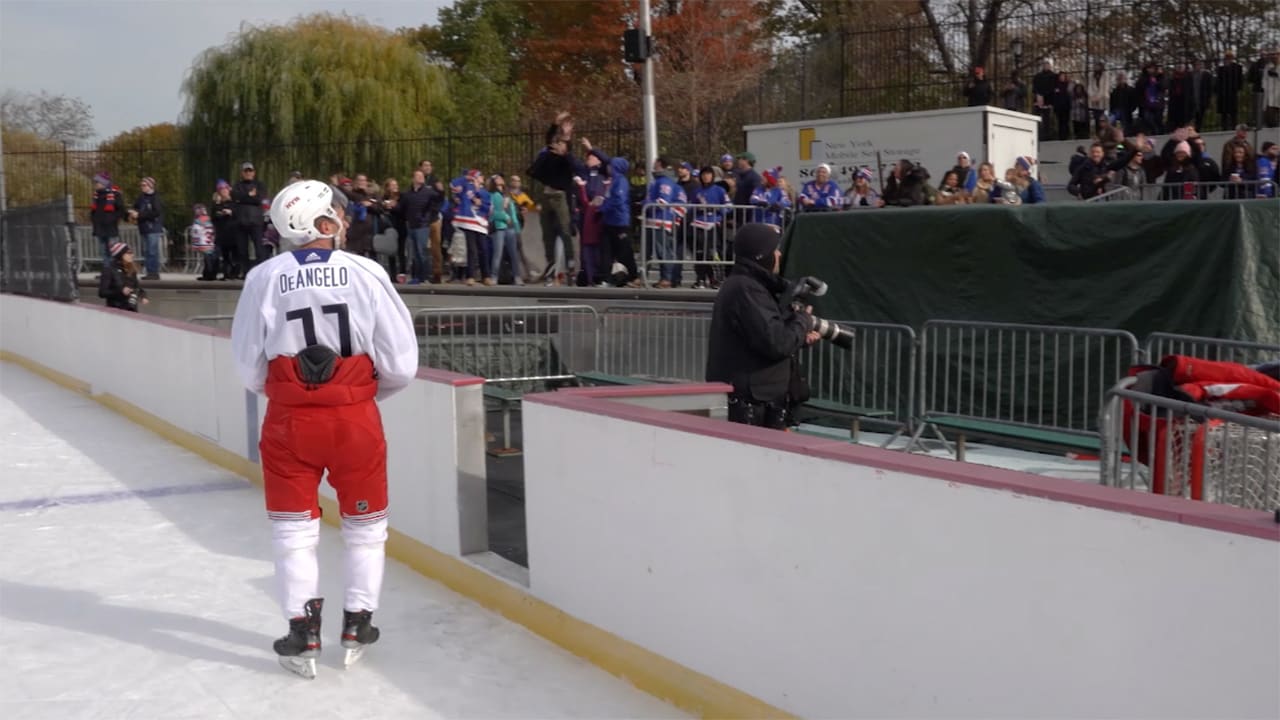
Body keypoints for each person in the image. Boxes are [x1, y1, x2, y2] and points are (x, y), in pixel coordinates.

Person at [229, 179, 418, 680]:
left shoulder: (262, 277)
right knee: (366, 527)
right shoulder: (366, 271)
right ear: (323, 221)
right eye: (338, 210)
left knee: (293, 531)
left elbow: (248, 367)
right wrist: (356, 394)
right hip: (355, 419)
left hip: (289, 421)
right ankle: (358, 623)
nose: (345, 217)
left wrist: (294, 393)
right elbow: (401, 363)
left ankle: (302, 632)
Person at [706, 224, 820, 430]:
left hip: (764, 401)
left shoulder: (753, 287)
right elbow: (777, 342)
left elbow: (763, 336)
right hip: (751, 406)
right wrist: (804, 320)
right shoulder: (746, 288)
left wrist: (799, 337)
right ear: (762, 255)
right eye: (775, 249)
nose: (779, 254)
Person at [98, 242, 148, 312]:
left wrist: (143, 296)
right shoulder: (109, 270)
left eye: (132, 253)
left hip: (131, 308)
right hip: (116, 309)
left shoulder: (131, 269)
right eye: (129, 253)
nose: (132, 255)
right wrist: (121, 292)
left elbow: (137, 287)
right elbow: (102, 292)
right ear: (120, 255)